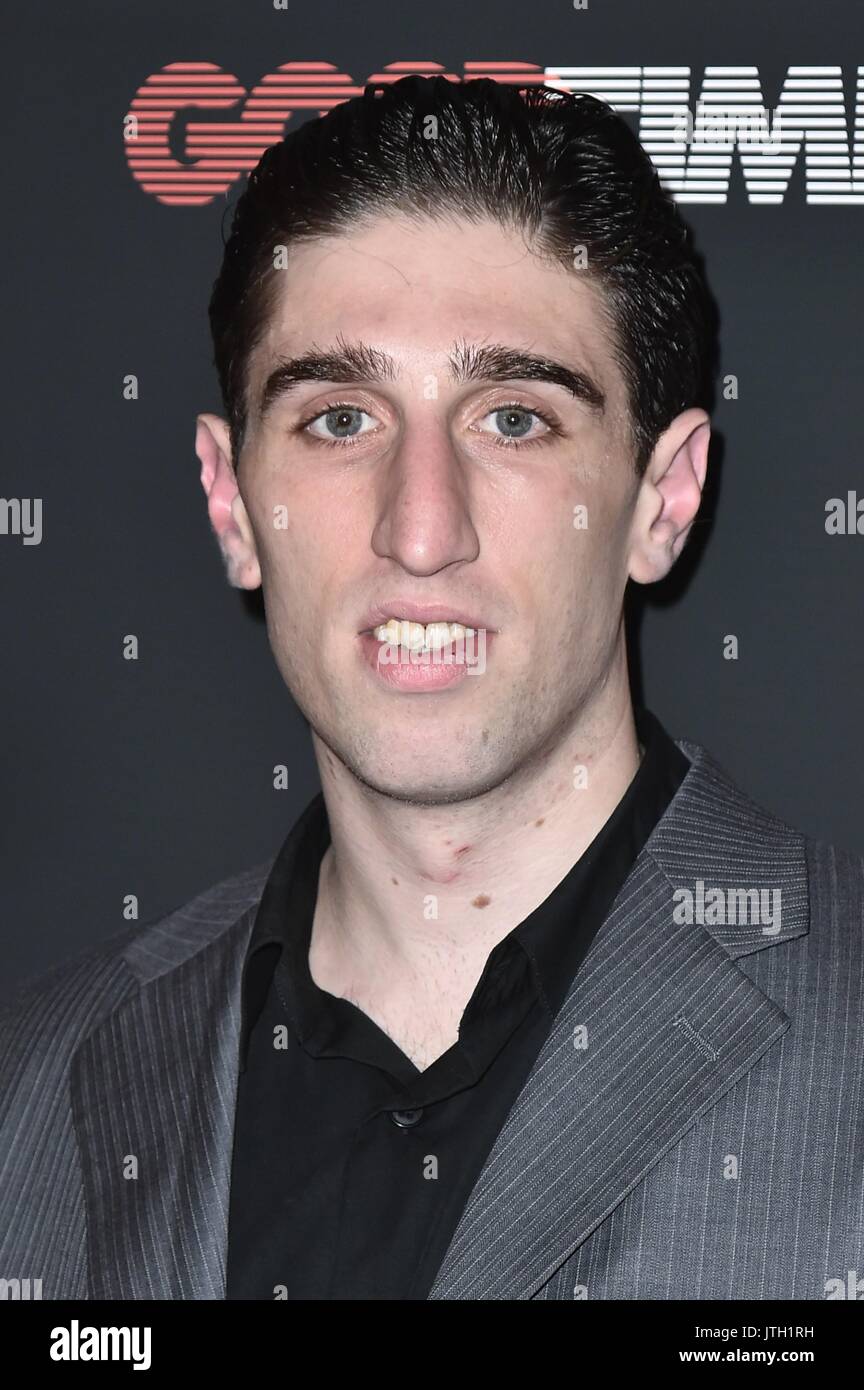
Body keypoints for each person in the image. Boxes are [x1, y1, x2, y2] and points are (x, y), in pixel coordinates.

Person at [1, 77, 861, 1302]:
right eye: (340, 418)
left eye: (512, 419)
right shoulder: (33, 1091)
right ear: (233, 505)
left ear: (661, 502)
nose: (419, 528)